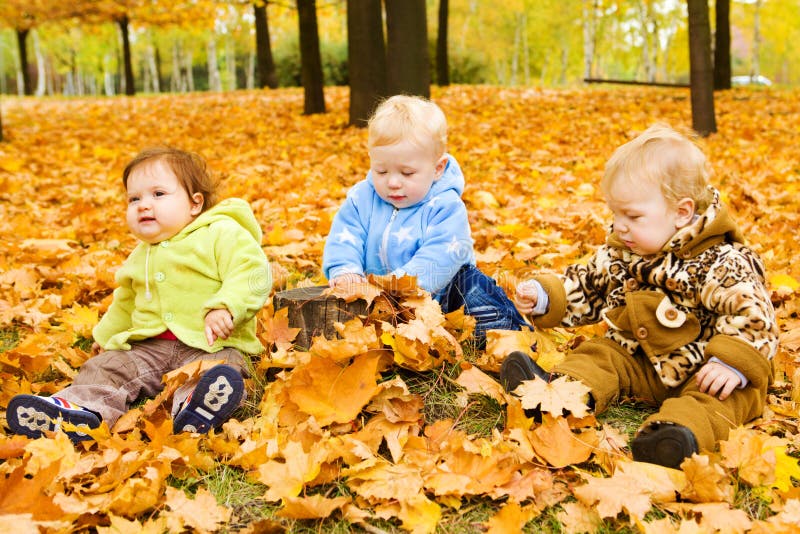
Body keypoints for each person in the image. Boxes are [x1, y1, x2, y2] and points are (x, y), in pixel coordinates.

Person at [501, 124, 778, 469]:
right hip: (640, 358)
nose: (620, 226)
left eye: (632, 216)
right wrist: (546, 296)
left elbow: (754, 314)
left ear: (681, 212)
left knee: (725, 399)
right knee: (601, 354)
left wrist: (732, 364)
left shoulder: (721, 260)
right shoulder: (623, 252)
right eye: (616, 214)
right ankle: (557, 392)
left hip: (706, 368)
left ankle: (677, 436)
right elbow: (588, 285)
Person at [6, 147, 271, 442]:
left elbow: (250, 272)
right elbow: (126, 301)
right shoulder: (140, 255)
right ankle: (80, 410)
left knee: (225, 368)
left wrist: (226, 307)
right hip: (150, 347)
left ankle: (194, 405)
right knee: (106, 366)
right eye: (134, 199)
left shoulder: (220, 233)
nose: (144, 205)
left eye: (158, 194)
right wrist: (106, 337)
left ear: (195, 203)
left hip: (212, 343)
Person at [322, 95, 527, 344]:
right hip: (378, 299)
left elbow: (441, 254)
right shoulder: (362, 199)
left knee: (474, 288)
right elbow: (346, 235)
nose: (393, 182)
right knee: (344, 303)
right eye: (381, 170)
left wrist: (398, 285)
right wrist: (346, 271)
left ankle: (503, 331)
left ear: (437, 168)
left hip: (444, 295)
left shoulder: (445, 206)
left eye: (407, 172)